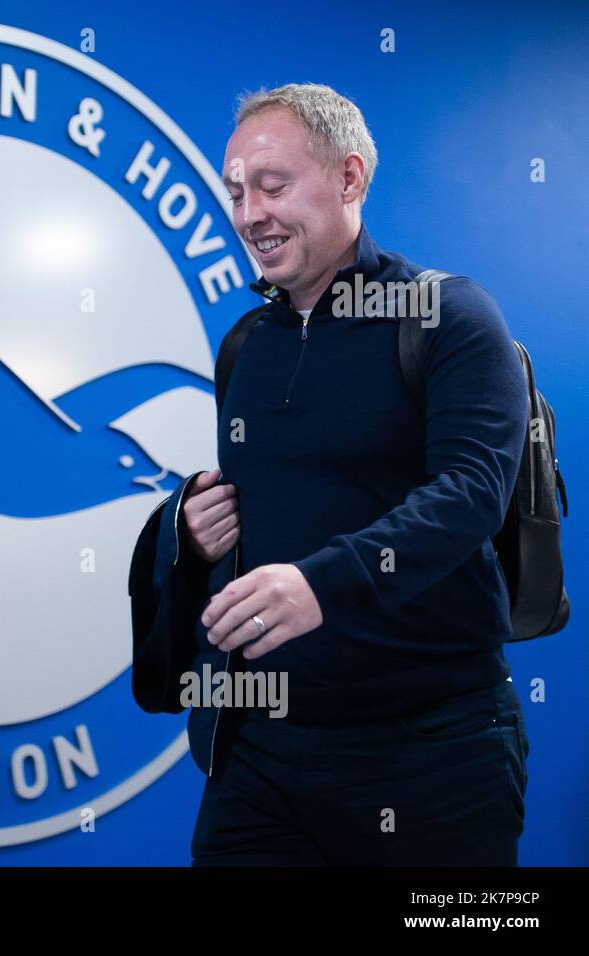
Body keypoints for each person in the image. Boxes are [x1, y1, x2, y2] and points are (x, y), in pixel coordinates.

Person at [177, 83, 531, 865]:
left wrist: (323, 585)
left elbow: (474, 492)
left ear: (349, 178)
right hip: (261, 754)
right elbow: (274, 507)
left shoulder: (449, 316)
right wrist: (191, 530)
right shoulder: (244, 344)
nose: (249, 213)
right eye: (236, 191)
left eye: (273, 185)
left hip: (435, 753)